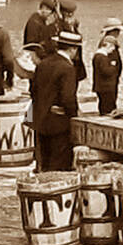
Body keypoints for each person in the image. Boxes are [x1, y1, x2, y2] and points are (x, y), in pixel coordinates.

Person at [33, 29, 81, 172]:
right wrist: (74, 116)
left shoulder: (43, 64)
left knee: (45, 164)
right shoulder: (67, 68)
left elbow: (33, 91)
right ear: (73, 49)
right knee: (59, 166)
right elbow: (68, 99)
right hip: (60, 124)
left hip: (40, 121)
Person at [92, 19, 123, 115]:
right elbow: (108, 67)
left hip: (109, 82)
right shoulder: (108, 44)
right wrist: (114, 67)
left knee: (107, 104)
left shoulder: (104, 43)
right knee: (108, 105)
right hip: (108, 83)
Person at [57, 0, 86, 84]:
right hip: (66, 62)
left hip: (75, 62)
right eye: (68, 14)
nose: (70, 16)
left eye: (72, 14)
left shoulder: (74, 25)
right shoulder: (58, 26)